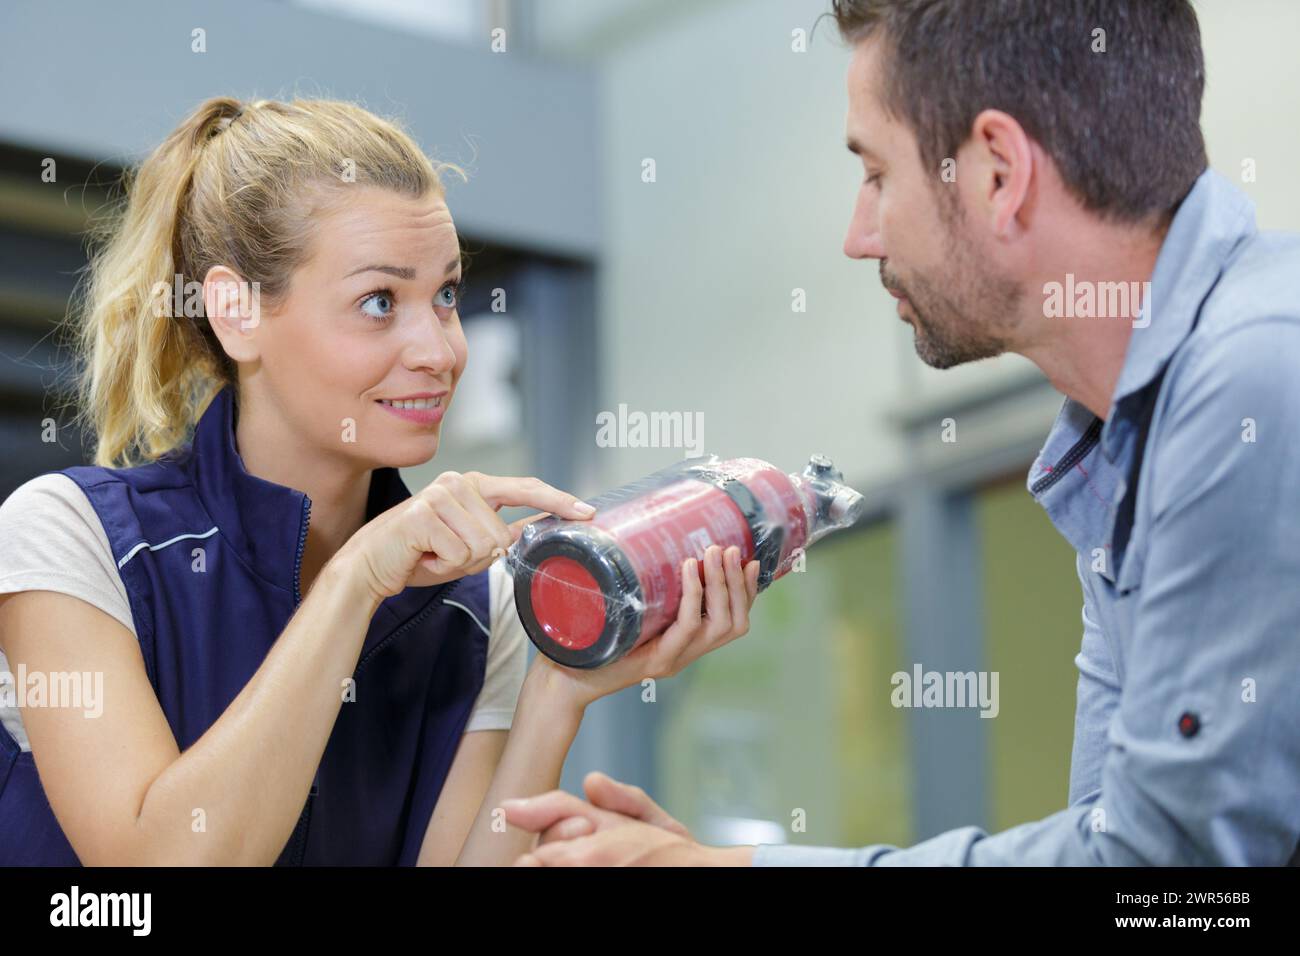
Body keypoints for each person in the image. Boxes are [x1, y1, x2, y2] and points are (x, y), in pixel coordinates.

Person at [502, 0, 1300, 866]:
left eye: (877, 175)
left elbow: (1165, 880)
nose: (857, 235)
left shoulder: (1254, 381)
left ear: (999, 173)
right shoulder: (1121, 443)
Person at [0, 96, 761, 866]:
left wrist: (557, 690)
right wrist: (354, 582)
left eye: (447, 296)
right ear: (235, 313)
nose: (439, 350)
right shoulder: (72, 538)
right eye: (378, 302)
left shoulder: (473, 605)